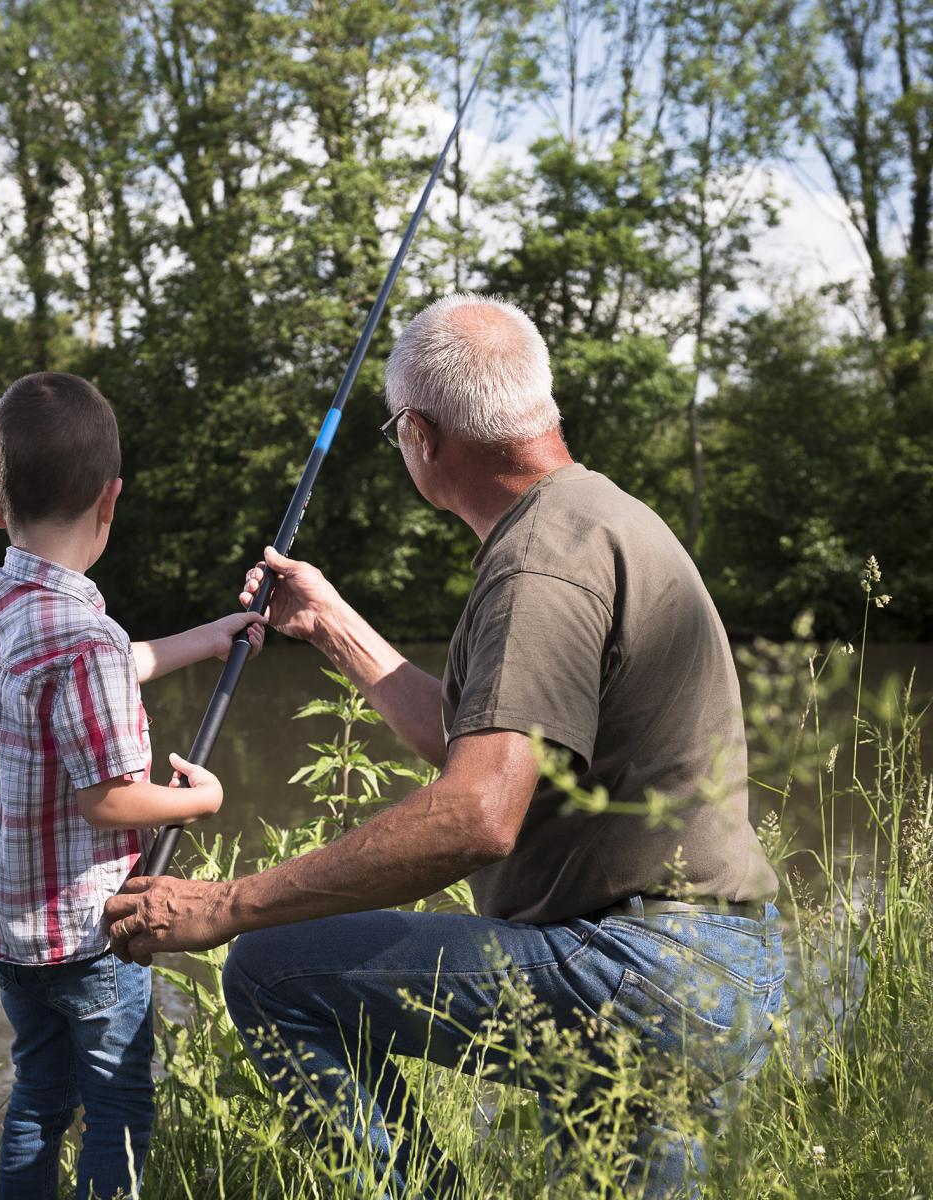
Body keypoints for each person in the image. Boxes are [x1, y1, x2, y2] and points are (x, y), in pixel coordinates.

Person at [103, 295, 784, 1197]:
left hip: (636, 967)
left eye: (395, 434)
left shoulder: (538, 566)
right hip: (707, 966)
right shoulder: (591, 518)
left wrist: (227, 905)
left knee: (273, 973)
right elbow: (483, 749)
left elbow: (474, 815)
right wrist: (332, 624)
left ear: (421, 436)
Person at [0, 371, 264, 1200]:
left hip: (8, 934)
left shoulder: (2, 604)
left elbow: (99, 672)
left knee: (38, 1096)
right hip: (88, 937)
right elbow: (112, 800)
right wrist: (202, 799)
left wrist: (207, 638)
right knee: (120, 1105)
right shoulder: (84, 637)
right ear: (112, 498)